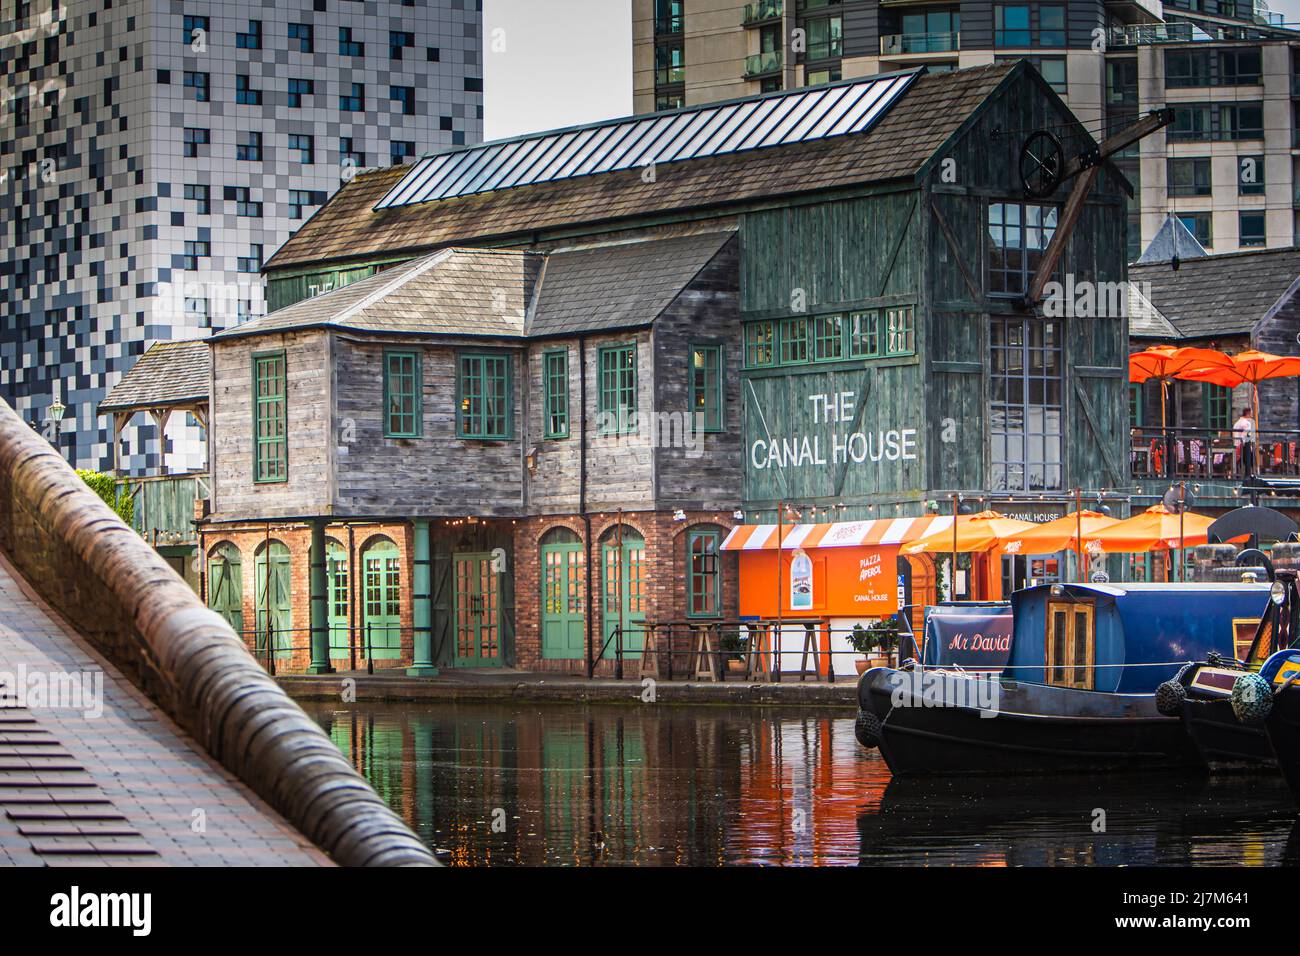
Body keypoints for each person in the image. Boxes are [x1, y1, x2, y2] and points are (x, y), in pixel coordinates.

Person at [1234, 407, 1255, 476]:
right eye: (1251, 413)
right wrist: (1250, 445)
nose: (1252, 415)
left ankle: (1243, 473)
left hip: (1236, 445)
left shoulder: (1237, 423)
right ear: (1248, 413)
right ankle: (1248, 474)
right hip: (1242, 445)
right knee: (1250, 456)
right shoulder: (1246, 423)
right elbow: (1246, 435)